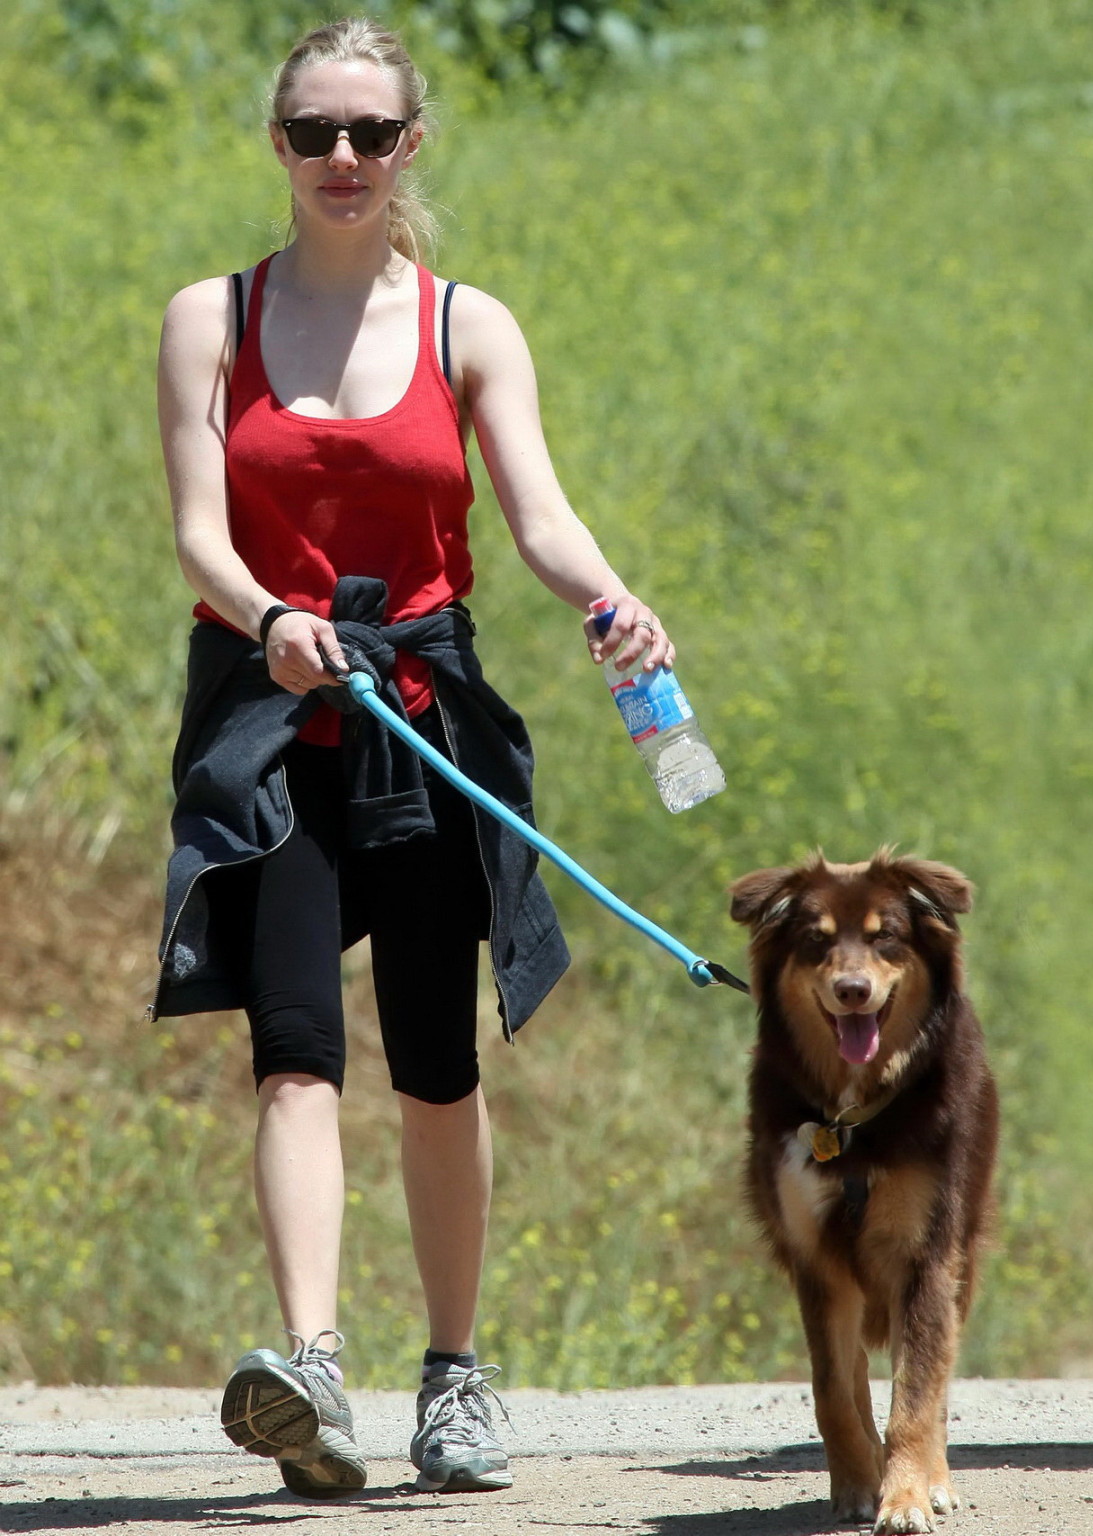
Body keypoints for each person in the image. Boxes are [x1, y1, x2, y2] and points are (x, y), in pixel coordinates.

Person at [154, 14, 675, 1501]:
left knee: (437, 1067)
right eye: (314, 130)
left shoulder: (467, 326)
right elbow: (199, 533)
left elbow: (538, 516)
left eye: (370, 133)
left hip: (421, 719)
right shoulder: (211, 318)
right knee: (293, 1054)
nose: (342, 156)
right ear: (278, 142)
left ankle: (455, 1375)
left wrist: (612, 602)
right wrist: (272, 620)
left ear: (409, 146)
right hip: (269, 719)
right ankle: (314, 1370)